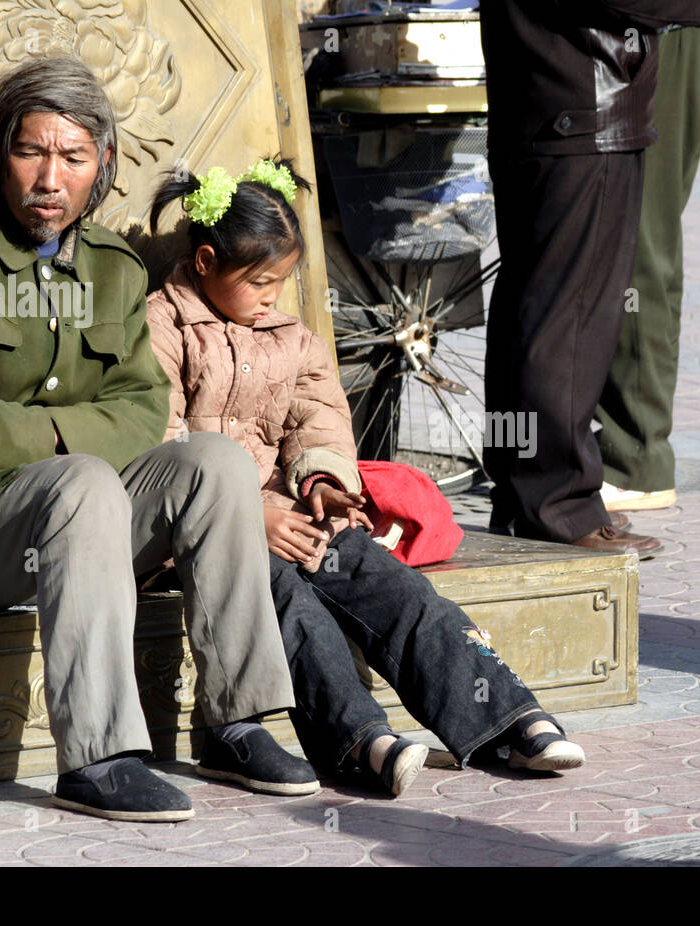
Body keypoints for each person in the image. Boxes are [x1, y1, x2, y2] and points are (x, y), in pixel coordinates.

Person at [0, 55, 314, 822]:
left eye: (73, 156)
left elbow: (140, 405)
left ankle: (237, 719)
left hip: (76, 519)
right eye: (31, 151)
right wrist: (66, 440)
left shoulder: (113, 267)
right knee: (83, 479)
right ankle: (98, 756)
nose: (49, 178)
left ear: (100, 165)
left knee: (216, 464)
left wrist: (70, 446)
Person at [144, 159, 586, 796]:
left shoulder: (290, 337)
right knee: (288, 601)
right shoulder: (161, 328)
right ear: (208, 263)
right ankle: (358, 740)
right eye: (261, 282)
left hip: (291, 513)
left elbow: (318, 421)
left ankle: (511, 717)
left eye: (282, 282)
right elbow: (161, 438)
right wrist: (249, 518)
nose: (273, 297)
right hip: (205, 531)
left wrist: (321, 484)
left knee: (394, 588)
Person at [479, 0, 700, 557]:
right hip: (582, 109)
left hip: (551, 106)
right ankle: (559, 508)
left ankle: (524, 498)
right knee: (569, 318)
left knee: (533, 308)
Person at [595, 21, 700, 513]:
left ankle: (637, 458)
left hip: (657, 28)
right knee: (627, 235)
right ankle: (616, 448)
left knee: (639, 238)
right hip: (630, 26)